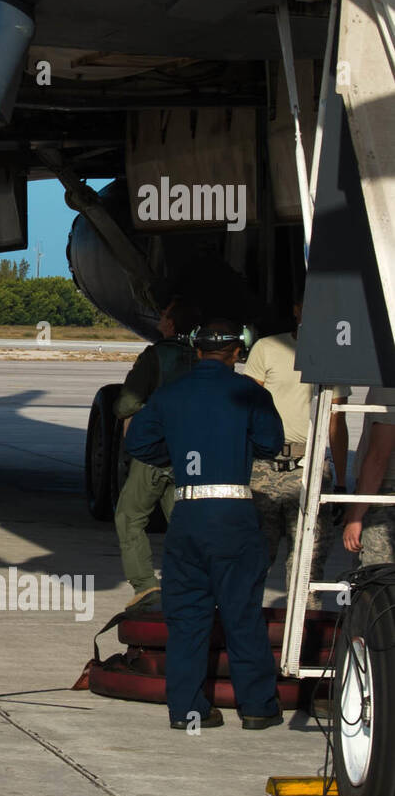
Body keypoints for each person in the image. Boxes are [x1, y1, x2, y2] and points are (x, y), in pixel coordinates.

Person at [124, 320, 285, 730]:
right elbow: (270, 444)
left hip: (188, 513)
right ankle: (257, 708)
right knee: (242, 614)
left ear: (196, 350)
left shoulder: (170, 393)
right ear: (237, 351)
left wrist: (175, 456)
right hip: (233, 514)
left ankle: (188, 710)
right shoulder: (250, 393)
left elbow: (137, 442)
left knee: (187, 617)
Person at [245, 300, 350, 586]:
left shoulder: (332, 355)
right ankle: (241, 624)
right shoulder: (267, 348)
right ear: (296, 309)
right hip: (265, 467)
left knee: (308, 564)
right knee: (253, 559)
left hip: (309, 465)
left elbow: (335, 422)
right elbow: (248, 409)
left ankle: (305, 626)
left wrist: (340, 483)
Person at [113, 297, 199, 607]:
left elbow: (126, 404)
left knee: (129, 517)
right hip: (189, 453)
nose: (159, 320)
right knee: (180, 518)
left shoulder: (155, 357)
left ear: (171, 324)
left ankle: (146, 586)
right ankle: (188, 581)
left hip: (155, 452)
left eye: (163, 315)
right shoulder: (200, 358)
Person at [342, 385, 395, 562]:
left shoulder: (388, 386)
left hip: (385, 495)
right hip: (383, 491)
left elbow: (379, 456)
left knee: (377, 577)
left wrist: (356, 515)